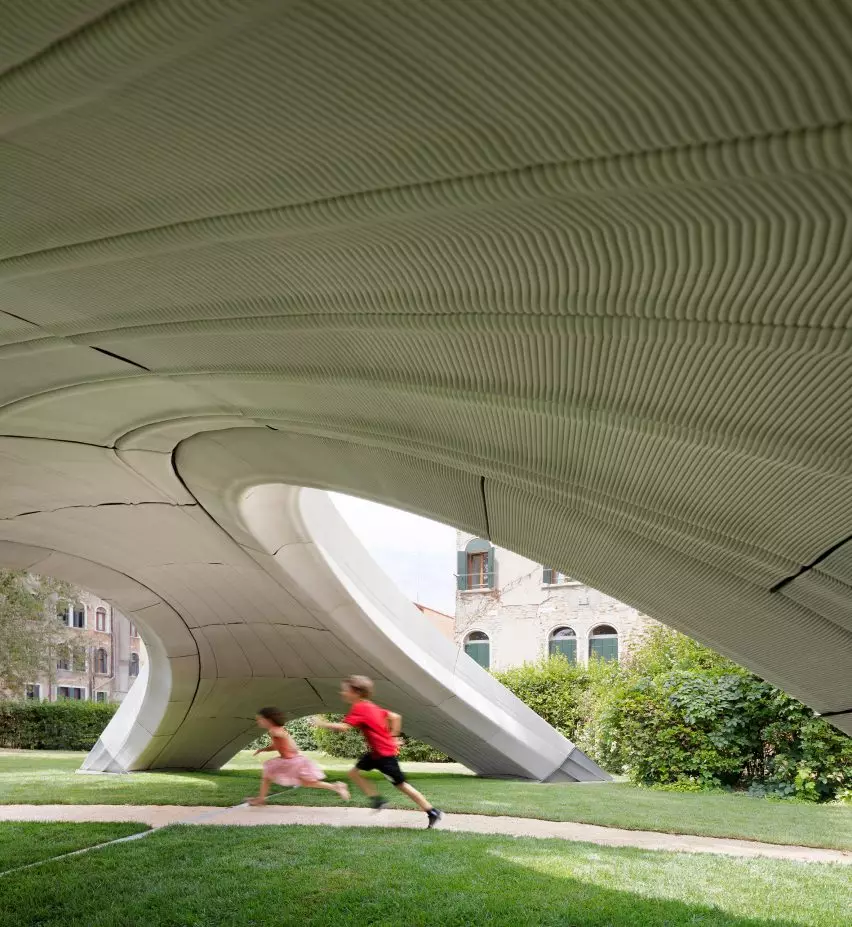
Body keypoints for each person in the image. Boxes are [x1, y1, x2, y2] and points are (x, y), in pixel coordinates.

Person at [313, 675, 443, 828]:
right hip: (376, 753)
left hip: (383, 755)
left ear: (356, 692)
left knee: (402, 785)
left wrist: (322, 724)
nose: (342, 693)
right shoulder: (371, 706)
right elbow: (395, 717)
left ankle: (432, 811)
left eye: (345, 690)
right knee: (353, 773)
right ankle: (377, 800)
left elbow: (344, 728)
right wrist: (393, 737)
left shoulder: (360, 708)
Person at [246, 706, 349, 805]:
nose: (258, 722)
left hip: (290, 761)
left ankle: (261, 799)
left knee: (268, 773)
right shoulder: (277, 729)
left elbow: (284, 740)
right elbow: (277, 745)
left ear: (268, 720)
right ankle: (336, 787)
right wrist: (263, 749)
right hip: (295, 760)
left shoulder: (274, 730)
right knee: (308, 783)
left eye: (260, 719)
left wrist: (291, 746)